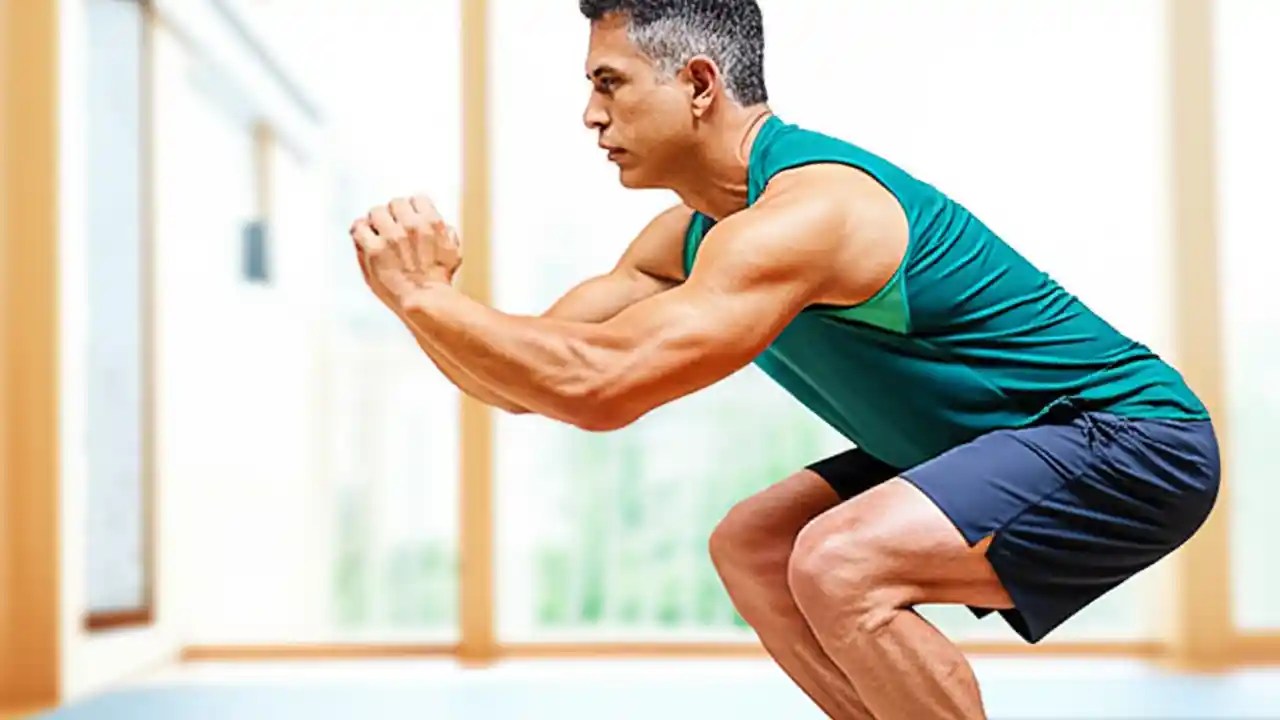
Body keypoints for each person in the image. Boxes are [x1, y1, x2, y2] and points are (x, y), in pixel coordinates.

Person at [348, 1, 1220, 718]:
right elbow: (527, 381)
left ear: (699, 84)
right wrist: (417, 300)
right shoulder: (686, 240)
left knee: (840, 563)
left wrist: (427, 300)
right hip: (990, 442)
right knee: (755, 546)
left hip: (1132, 439)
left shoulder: (810, 212)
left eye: (608, 83)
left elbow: (600, 387)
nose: (591, 115)